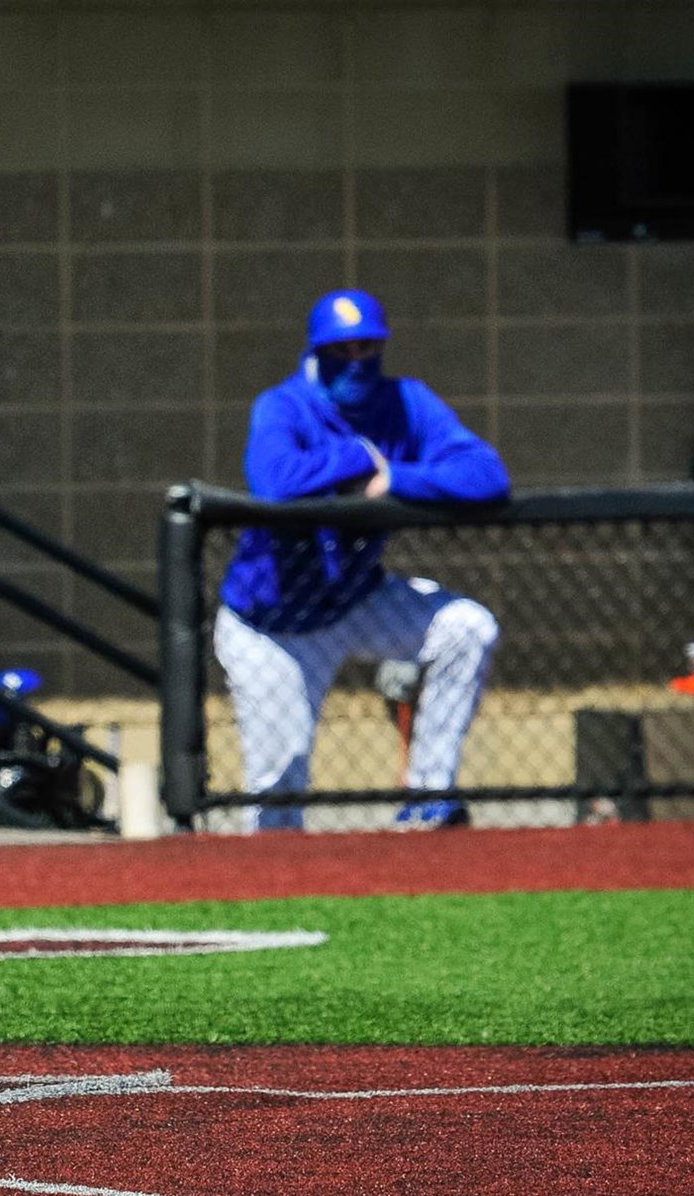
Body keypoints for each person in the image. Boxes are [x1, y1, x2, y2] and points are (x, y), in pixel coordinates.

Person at [215, 290, 508, 832]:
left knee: (469, 629)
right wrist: (356, 456)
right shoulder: (282, 405)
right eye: (342, 350)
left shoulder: (407, 401)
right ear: (318, 351)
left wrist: (397, 479)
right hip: (271, 628)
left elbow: (487, 474)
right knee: (277, 807)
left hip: (356, 600)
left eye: (366, 347)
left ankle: (428, 795)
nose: (356, 361)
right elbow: (273, 480)